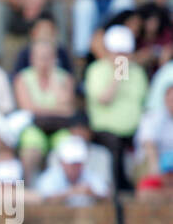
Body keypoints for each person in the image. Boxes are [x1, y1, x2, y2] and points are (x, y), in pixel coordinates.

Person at [84, 24, 148, 192]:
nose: (122, 57)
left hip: (134, 131)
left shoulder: (138, 73)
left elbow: (144, 104)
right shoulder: (96, 71)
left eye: (125, 53)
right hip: (105, 130)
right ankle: (120, 191)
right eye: (118, 53)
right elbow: (104, 99)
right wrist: (117, 78)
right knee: (115, 145)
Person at [14, 38, 77, 180]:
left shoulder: (64, 78)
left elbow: (69, 110)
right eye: (40, 57)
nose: (44, 61)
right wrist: (57, 109)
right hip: (34, 127)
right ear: (32, 58)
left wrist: (54, 80)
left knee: (67, 147)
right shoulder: (22, 78)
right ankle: (28, 189)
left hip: (60, 128)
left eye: (48, 57)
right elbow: (27, 108)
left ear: (55, 58)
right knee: (31, 148)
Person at [32, 133, 109, 203]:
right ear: (62, 162)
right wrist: (71, 192)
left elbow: (106, 195)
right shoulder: (50, 177)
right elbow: (43, 199)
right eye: (72, 163)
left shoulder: (90, 176)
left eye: (78, 163)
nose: (75, 167)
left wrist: (92, 193)